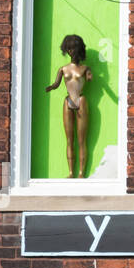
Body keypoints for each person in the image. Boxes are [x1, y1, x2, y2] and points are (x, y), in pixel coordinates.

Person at [46, 34, 92, 178]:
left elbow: (90, 78)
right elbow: (56, 83)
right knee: (69, 140)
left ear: (79, 49)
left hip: (81, 100)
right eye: (69, 48)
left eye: (74, 48)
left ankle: (81, 173)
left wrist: (90, 77)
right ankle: (71, 172)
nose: (71, 51)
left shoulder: (85, 68)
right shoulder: (63, 69)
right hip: (68, 102)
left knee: (81, 139)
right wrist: (51, 87)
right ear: (66, 49)